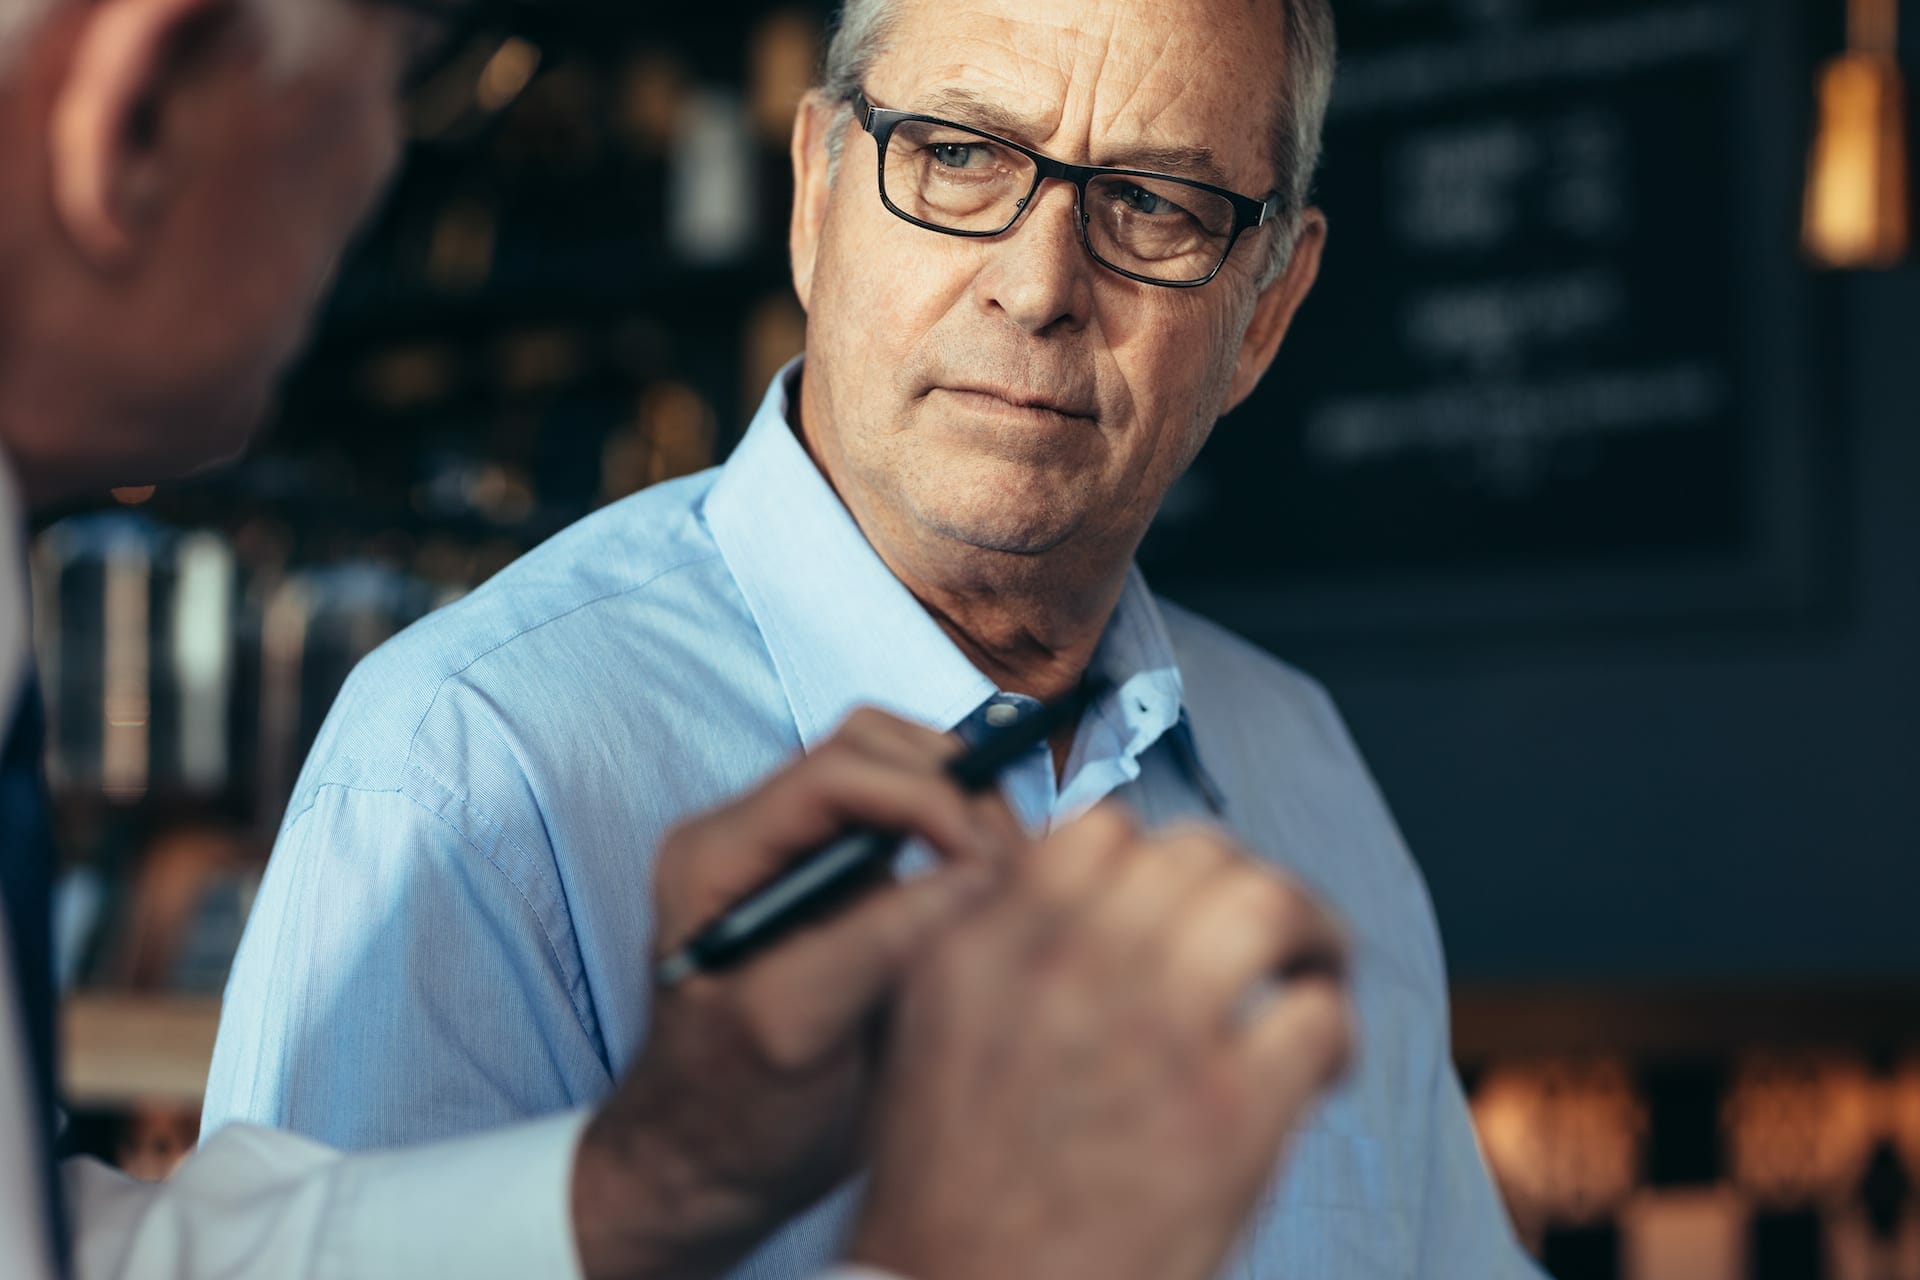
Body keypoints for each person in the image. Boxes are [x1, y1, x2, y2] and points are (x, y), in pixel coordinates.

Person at [0, 0, 1358, 1276]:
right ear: (817, 190)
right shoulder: (466, 766)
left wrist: (647, 1179)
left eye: (1152, 203)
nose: (1038, 284)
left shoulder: (1308, 782)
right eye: (954, 154)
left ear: (1272, 311)